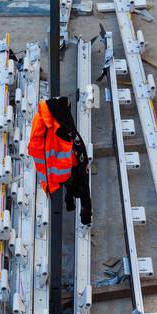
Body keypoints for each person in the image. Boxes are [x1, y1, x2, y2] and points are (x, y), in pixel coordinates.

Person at [28, 95, 91, 225]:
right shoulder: (63, 128)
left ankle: (69, 202)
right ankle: (69, 202)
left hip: (54, 177)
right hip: (58, 175)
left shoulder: (39, 121)